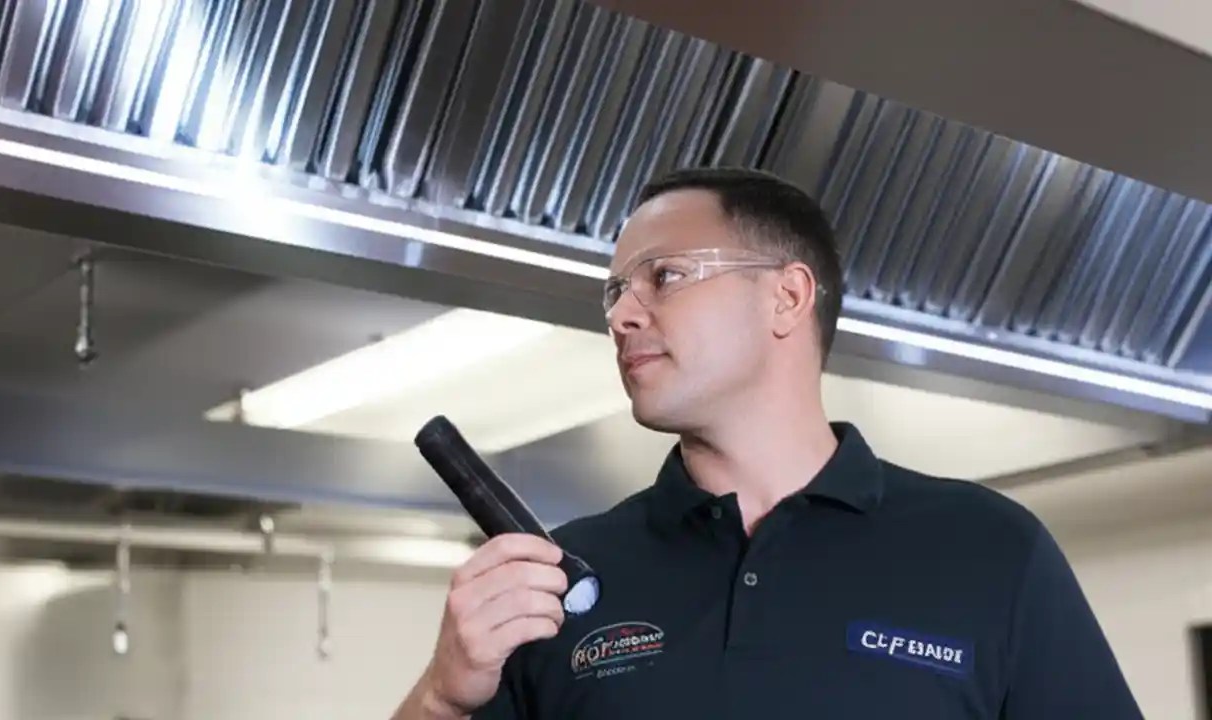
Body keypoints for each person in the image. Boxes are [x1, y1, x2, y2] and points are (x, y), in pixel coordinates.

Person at [392, 167, 1143, 719]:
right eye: (615, 291)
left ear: (788, 296)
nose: (622, 315)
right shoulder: (560, 582)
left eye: (665, 276)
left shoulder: (990, 550)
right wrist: (439, 695)